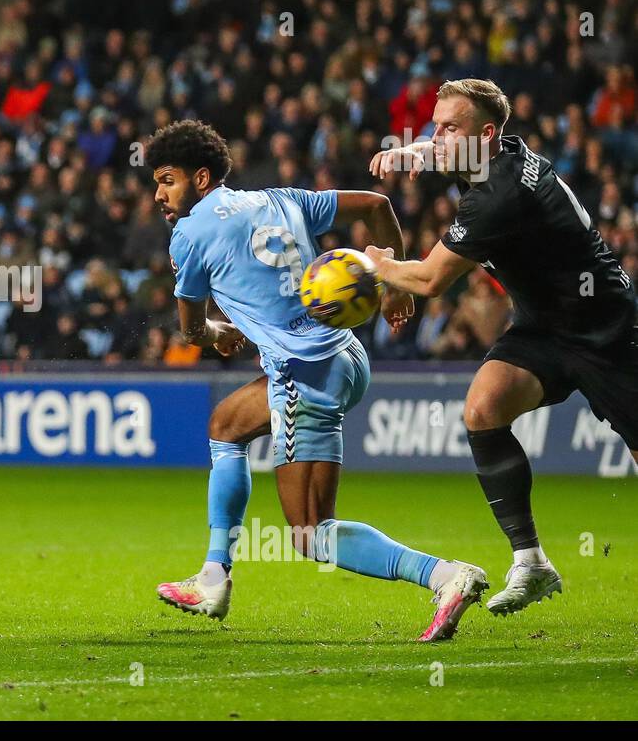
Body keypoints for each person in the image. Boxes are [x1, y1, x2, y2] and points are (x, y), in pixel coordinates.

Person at [147, 119, 487, 642]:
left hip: (300, 378)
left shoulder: (189, 235)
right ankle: (213, 576)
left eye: (166, 179)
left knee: (310, 534)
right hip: (347, 357)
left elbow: (190, 328)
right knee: (226, 426)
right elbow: (377, 205)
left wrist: (218, 333)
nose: (158, 193)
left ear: (200, 178)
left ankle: (444, 576)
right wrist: (396, 287)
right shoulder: (281, 199)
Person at [366, 77, 638, 615]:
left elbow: (428, 281)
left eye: (450, 127)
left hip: (608, 332)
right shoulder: (497, 153)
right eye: (435, 126)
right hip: (544, 328)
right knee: (483, 409)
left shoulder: (499, 196)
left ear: (484, 133)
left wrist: (374, 265)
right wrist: (414, 148)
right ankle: (532, 563)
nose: (437, 136)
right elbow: (450, 148)